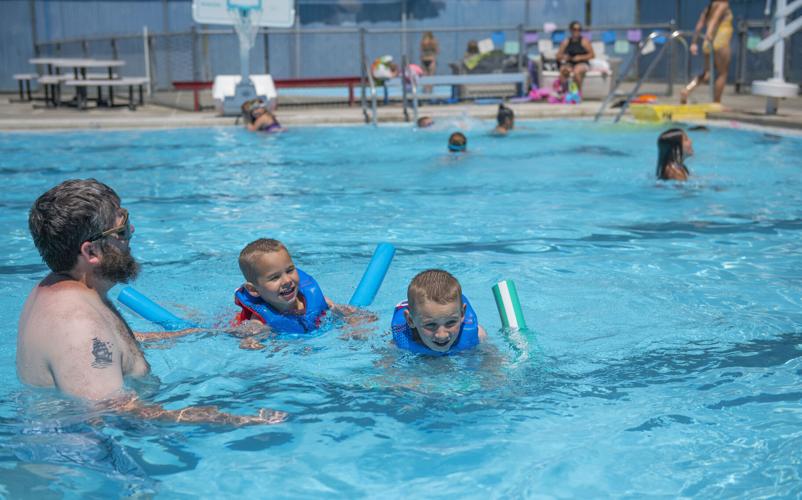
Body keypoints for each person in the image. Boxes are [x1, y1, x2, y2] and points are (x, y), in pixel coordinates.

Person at [18, 179, 285, 424]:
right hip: (92, 462)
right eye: (121, 231)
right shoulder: (79, 327)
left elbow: (108, 351)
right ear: (91, 251)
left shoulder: (60, 290)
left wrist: (206, 334)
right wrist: (236, 419)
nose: (131, 231)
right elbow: (110, 414)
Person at [233, 238, 364, 337]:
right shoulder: (260, 319)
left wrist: (354, 321)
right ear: (254, 290)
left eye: (289, 270)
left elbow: (341, 312)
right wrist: (250, 340)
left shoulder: (312, 298)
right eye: (274, 277)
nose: (287, 280)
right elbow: (250, 332)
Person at [390, 269, 487, 356]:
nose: (442, 335)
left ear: (462, 314)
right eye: (431, 325)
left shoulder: (477, 335)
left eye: (451, 322)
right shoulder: (400, 341)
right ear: (410, 320)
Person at [680, 0, 733, 104]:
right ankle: (717, 102)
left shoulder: (708, 8)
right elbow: (715, 19)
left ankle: (687, 90)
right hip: (720, 41)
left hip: (707, 42)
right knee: (722, 73)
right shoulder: (723, 4)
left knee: (706, 74)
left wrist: (694, 42)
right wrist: (709, 33)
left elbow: (699, 25)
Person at [555, 20, 595, 94]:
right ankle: (564, 92)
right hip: (570, 63)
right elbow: (558, 56)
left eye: (579, 29)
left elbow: (592, 55)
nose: (577, 31)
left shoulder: (584, 41)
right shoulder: (566, 42)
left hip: (582, 63)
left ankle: (578, 93)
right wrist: (564, 57)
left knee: (577, 71)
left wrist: (580, 57)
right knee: (563, 69)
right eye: (575, 29)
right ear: (571, 30)